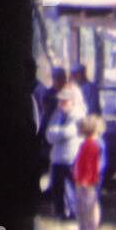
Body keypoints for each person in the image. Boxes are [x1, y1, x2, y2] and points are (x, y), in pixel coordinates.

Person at [44, 84, 86, 220]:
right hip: (57, 157)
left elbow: (70, 132)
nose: (61, 103)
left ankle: (74, 213)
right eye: (60, 100)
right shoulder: (57, 114)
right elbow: (49, 135)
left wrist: (57, 133)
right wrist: (57, 133)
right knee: (57, 187)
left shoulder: (78, 115)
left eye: (65, 100)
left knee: (71, 187)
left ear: (72, 101)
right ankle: (60, 213)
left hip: (71, 157)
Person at [73, 115, 104, 230]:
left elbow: (91, 165)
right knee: (81, 208)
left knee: (88, 208)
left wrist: (85, 181)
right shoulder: (86, 144)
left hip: (87, 182)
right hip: (81, 180)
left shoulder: (91, 145)